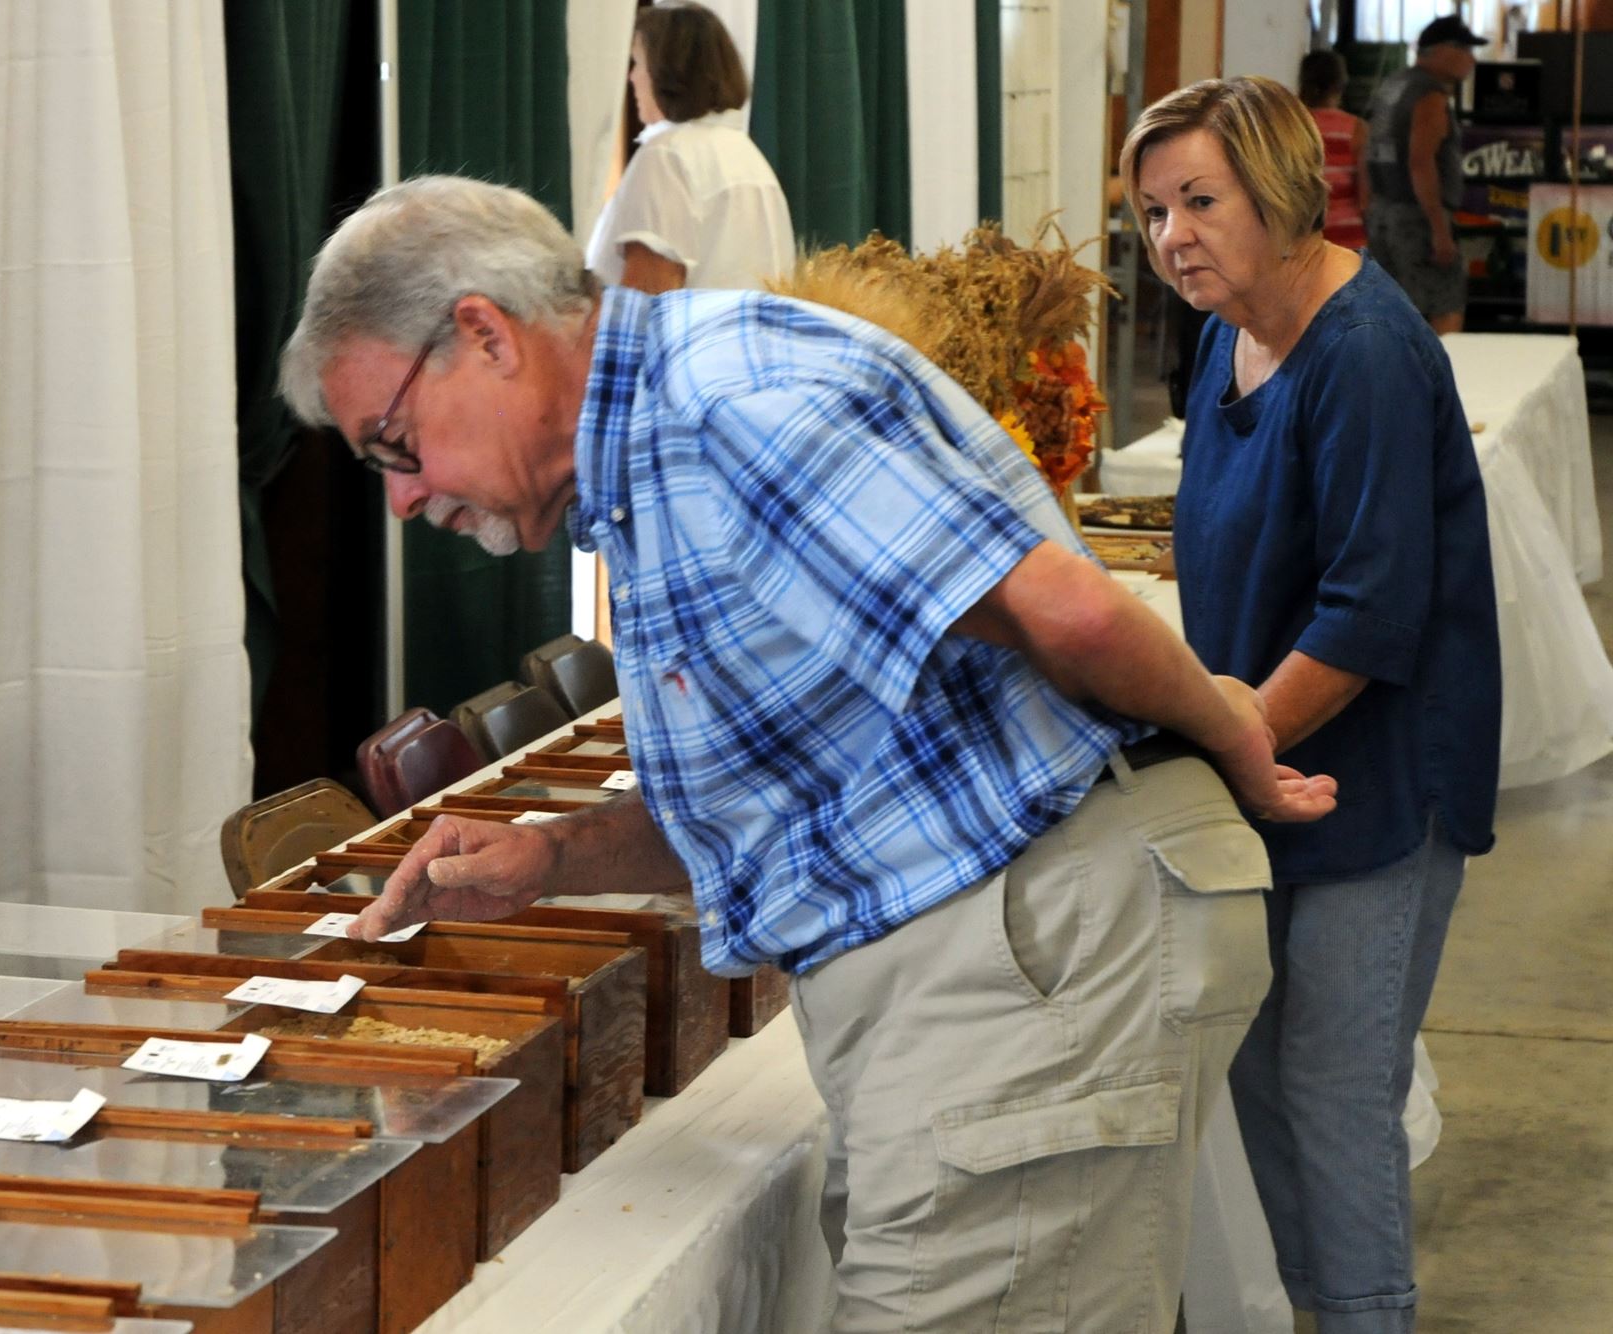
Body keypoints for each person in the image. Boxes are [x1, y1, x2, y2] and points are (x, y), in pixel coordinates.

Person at [280, 173, 1337, 1331]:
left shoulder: (721, 408)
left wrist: (1229, 726)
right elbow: (796, 785)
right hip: (1006, 939)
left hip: (1026, 937)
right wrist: (548, 858)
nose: (401, 496)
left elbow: (1067, 614)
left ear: (481, 334)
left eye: (393, 442)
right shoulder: (656, 455)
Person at [1121, 76, 1500, 1332]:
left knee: (1335, 1085)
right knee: (1267, 1076)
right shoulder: (1225, 330)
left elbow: (1369, 612)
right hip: (1272, 766)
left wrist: (1238, 734)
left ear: (1279, 190)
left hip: (1375, 776)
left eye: (1197, 199)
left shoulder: (1366, 352)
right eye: (1150, 209)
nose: (1171, 234)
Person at [583, 1, 794, 294]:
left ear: (666, 72)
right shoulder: (745, 152)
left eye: (638, 63)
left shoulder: (666, 157)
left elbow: (644, 299)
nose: (632, 77)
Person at [1364, 15, 1487, 333]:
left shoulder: (1392, 85)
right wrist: (1439, 228)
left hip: (1382, 212)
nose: (1471, 59)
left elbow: (1365, 149)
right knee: (1443, 305)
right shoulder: (1429, 95)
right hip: (1417, 217)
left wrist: (1369, 210)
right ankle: (1439, 381)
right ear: (1444, 50)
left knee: (1392, 310)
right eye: (1466, 49)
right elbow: (1421, 162)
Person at [1299, 50, 1369, 250]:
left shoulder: (1293, 125)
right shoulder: (1357, 129)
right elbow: (1365, 198)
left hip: (1304, 237)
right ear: (1341, 83)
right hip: (1349, 237)